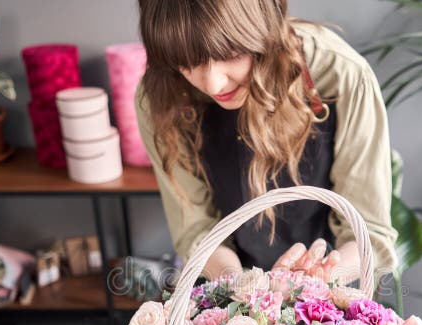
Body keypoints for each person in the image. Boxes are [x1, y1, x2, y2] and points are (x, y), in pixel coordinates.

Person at [136, 0, 397, 285]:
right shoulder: (160, 97)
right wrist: (243, 291)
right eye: (187, 61)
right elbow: (195, 230)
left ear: (265, 28)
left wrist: (313, 283)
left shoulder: (341, 75)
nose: (213, 85)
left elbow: (368, 233)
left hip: (333, 284)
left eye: (231, 54)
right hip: (231, 284)